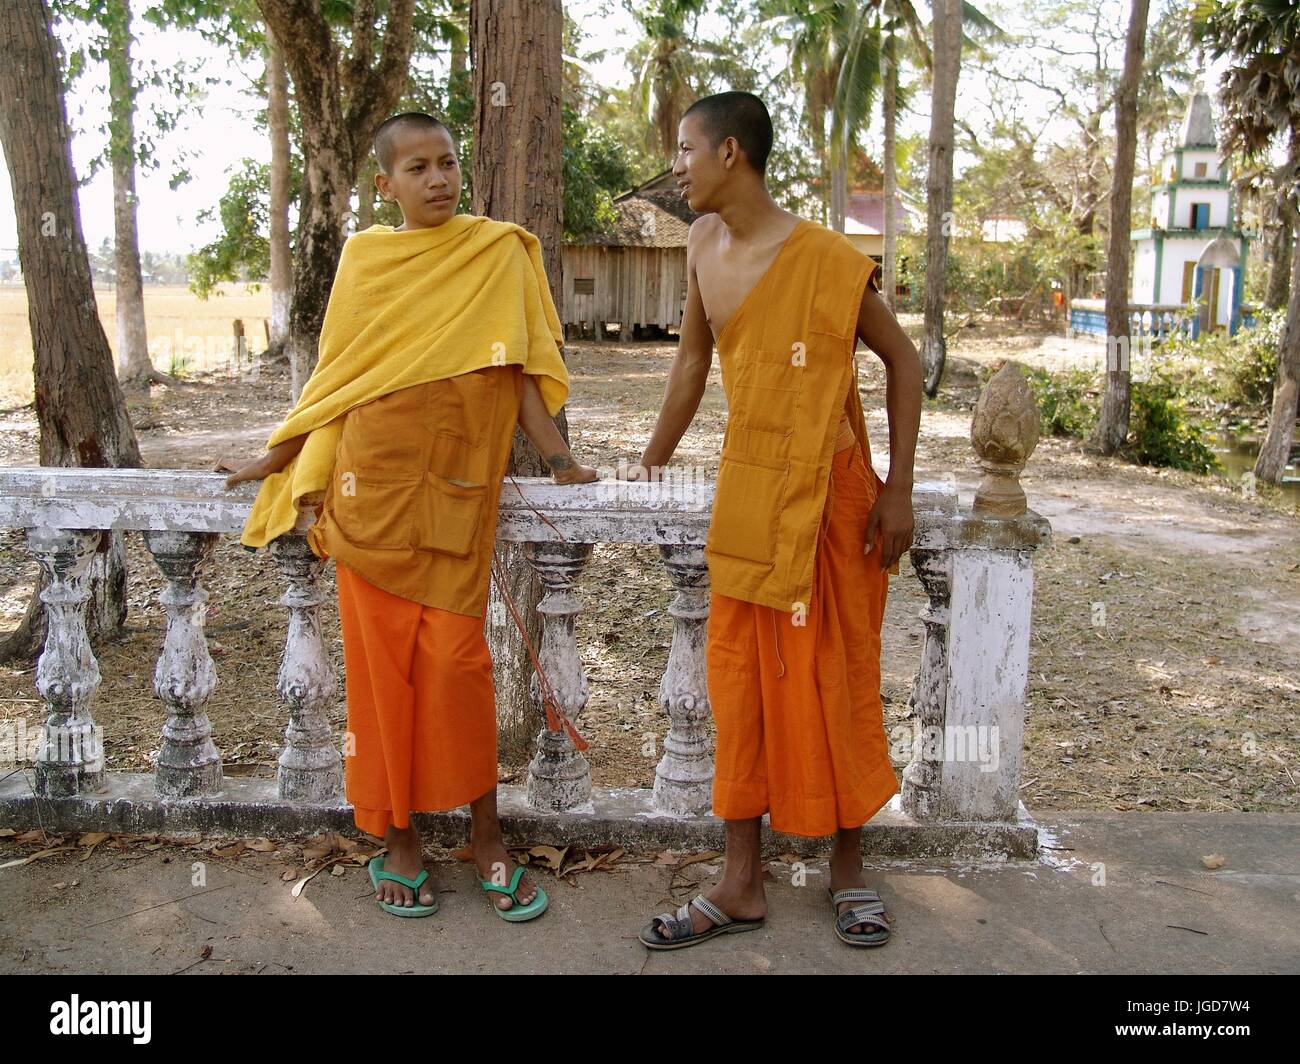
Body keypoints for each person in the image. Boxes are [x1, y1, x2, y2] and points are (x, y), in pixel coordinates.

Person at [220, 112, 597, 921]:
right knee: (382, 680)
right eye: (417, 168)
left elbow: (523, 367)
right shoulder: (367, 256)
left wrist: (559, 457)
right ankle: (398, 841)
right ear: (384, 184)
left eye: (447, 163)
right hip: (373, 490)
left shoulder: (498, 250)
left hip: (458, 493)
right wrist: (279, 455)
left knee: (461, 672)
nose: (437, 179)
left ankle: (487, 837)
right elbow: (339, 377)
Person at [622, 92, 922, 949]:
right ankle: (740, 880)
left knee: (839, 672)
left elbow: (902, 361)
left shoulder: (825, 257)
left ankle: (850, 869)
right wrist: (650, 461)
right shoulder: (701, 246)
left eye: (684, 150)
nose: (676, 167)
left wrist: (897, 488)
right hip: (751, 494)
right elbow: (689, 364)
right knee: (742, 685)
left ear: (731, 154)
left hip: (836, 498)